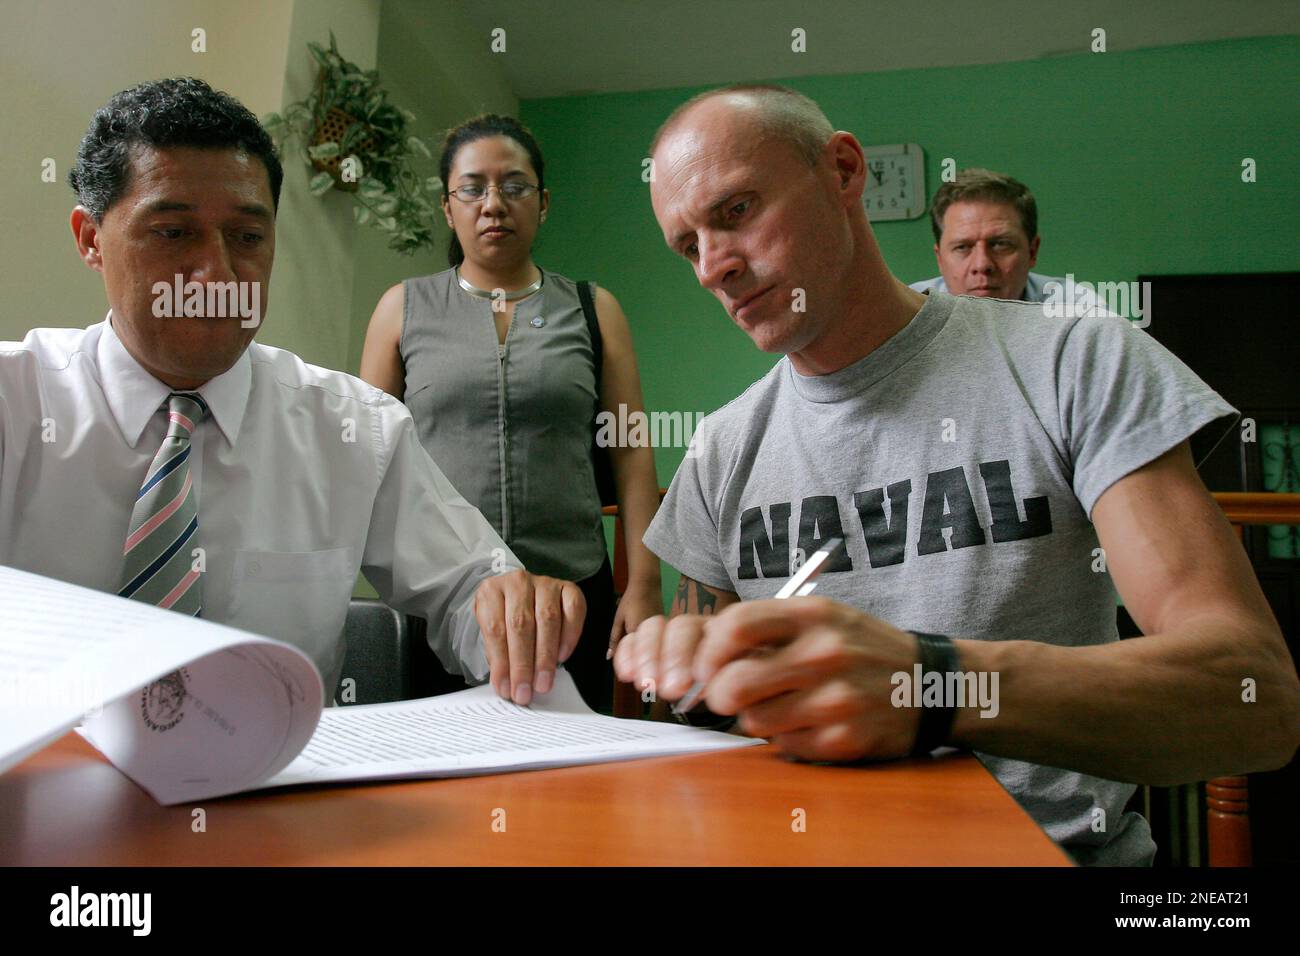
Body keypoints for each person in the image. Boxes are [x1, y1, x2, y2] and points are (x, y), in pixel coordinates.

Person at [614, 84, 1300, 865]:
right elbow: (698, 731)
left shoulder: (1073, 361)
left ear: (842, 171)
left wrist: (935, 686)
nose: (714, 268)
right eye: (687, 244)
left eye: (735, 212)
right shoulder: (719, 453)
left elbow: (1254, 699)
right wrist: (682, 674)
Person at [0, 78, 585, 708]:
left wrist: (510, 611)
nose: (216, 274)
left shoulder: (356, 429)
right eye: (172, 233)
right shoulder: (16, 403)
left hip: (276, 793)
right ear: (90, 239)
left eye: (248, 238)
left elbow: (472, 588)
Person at [360, 115, 663, 713]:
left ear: (543, 203)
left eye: (515, 186)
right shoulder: (403, 308)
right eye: (472, 188)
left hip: (574, 596)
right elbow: (367, 456)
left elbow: (630, 451)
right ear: (449, 208)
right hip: (438, 601)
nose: (493, 204)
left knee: (572, 783)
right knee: (439, 784)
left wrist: (645, 586)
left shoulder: (593, 308)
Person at [910, 167, 1065, 302]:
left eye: (1000, 245)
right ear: (940, 259)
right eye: (962, 247)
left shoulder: (1076, 312)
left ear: (1032, 252)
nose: (982, 265)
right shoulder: (905, 315)